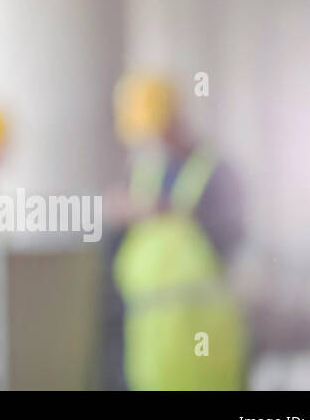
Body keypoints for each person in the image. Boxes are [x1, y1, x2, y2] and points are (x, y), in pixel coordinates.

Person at [103, 72, 247, 390]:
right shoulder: (140, 175)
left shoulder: (215, 172)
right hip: (150, 356)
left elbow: (233, 240)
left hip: (207, 352)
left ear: (174, 120)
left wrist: (172, 213)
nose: (151, 141)